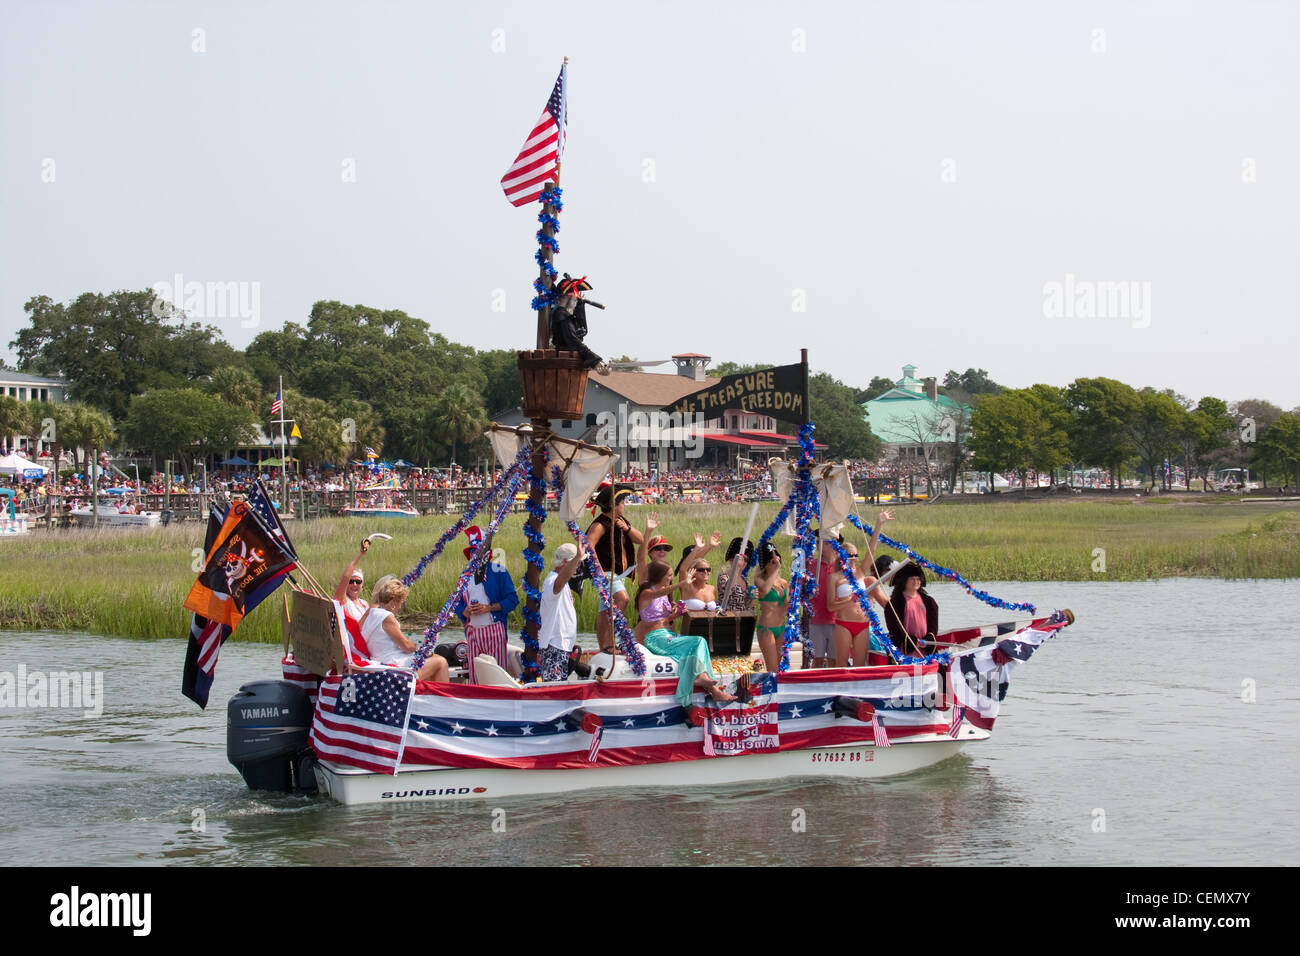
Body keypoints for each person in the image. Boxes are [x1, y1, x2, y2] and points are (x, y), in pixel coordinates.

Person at [635, 560, 736, 706]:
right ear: (660, 575)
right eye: (669, 575)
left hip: (667, 635)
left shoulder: (664, 595)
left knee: (696, 647)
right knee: (698, 641)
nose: (671, 578)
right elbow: (660, 593)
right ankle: (706, 684)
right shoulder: (647, 593)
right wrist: (684, 583)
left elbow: (664, 620)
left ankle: (712, 689)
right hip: (655, 639)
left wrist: (676, 614)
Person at [452, 526, 519, 683]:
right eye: (473, 552)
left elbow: (512, 600)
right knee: (476, 677)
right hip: (473, 632)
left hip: (494, 631)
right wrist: (465, 612)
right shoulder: (464, 577)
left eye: (479, 551)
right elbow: (457, 603)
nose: (476, 556)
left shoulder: (499, 572)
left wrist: (489, 608)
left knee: (497, 676)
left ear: (487, 554)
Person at [358, 576, 450, 682]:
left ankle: (426, 695)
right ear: (393, 602)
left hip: (378, 659)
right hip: (390, 663)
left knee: (433, 659)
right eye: (400, 602)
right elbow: (406, 646)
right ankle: (442, 697)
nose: (400, 607)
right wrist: (419, 647)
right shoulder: (386, 617)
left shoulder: (371, 613)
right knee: (440, 661)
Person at [585, 484, 642, 651]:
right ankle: (609, 642)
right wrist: (598, 572)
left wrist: (628, 528)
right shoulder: (600, 524)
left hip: (619, 574)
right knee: (622, 599)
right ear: (613, 505)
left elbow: (639, 539)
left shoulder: (622, 522)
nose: (624, 505)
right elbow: (589, 546)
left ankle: (605, 645)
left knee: (606, 609)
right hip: (605, 573)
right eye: (622, 502)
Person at [539, 541, 585, 682]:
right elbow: (559, 582)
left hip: (563, 645)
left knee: (561, 685)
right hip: (554, 646)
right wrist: (577, 557)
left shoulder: (563, 584)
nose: (578, 567)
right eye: (576, 563)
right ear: (565, 562)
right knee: (553, 688)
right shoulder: (553, 580)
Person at [550, 274, 610, 374]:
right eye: (575, 298)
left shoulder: (567, 314)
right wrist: (595, 360)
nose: (576, 301)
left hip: (569, 363)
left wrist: (580, 308)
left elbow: (582, 331)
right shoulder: (561, 315)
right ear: (569, 297)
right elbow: (573, 340)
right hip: (564, 366)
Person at [828, 542, 872, 667]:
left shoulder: (861, 572)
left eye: (855, 555)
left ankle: (857, 686)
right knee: (841, 665)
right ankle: (839, 686)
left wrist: (878, 525)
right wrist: (849, 599)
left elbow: (871, 550)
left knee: (860, 665)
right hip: (844, 623)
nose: (853, 558)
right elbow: (830, 606)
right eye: (849, 555)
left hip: (862, 623)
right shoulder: (834, 577)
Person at [885, 562, 939, 658]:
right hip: (905, 650)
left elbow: (933, 625)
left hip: (924, 648)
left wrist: (928, 640)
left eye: (918, 579)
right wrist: (911, 641)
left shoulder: (929, 602)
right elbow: (894, 628)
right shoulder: (894, 603)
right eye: (912, 579)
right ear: (904, 581)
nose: (916, 581)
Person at [752, 543, 789, 673]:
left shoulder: (783, 582)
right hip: (767, 628)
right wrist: (777, 569)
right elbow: (765, 590)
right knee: (772, 669)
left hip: (781, 627)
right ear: (765, 564)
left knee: (779, 669)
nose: (776, 564)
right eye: (772, 562)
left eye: (777, 561)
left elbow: (786, 604)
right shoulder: (759, 579)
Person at [714, 536, 756, 613]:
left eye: (746, 560)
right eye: (741, 559)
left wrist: (753, 598)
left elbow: (747, 607)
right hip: (727, 619)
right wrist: (736, 568)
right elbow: (728, 592)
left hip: (742, 620)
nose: (744, 562)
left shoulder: (744, 580)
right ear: (731, 559)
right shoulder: (723, 577)